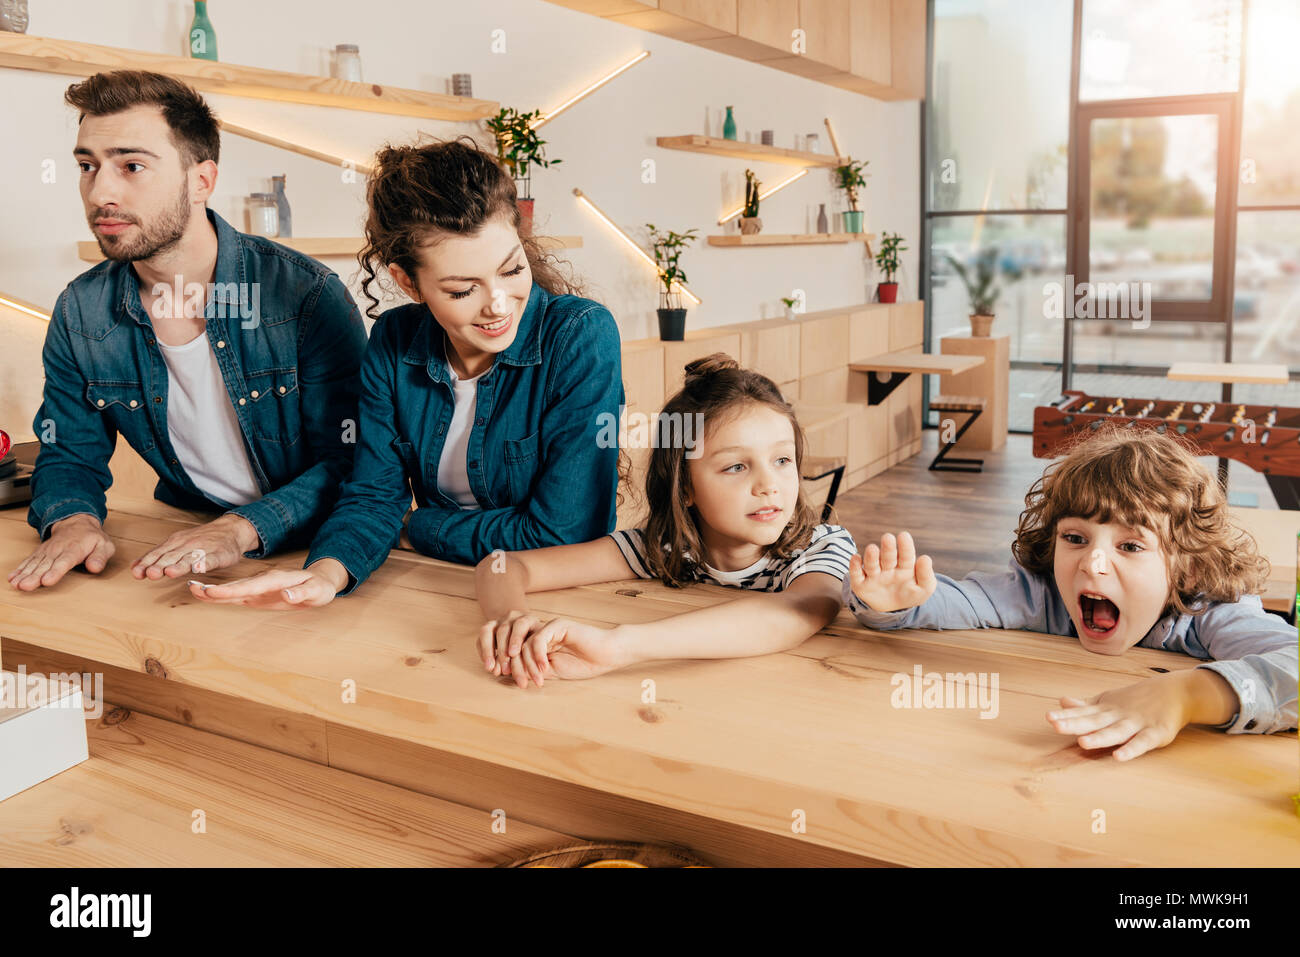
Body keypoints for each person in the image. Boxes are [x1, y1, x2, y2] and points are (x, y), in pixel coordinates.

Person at [188, 137, 624, 608]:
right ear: (407, 282)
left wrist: (416, 527)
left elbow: (565, 533)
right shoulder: (395, 339)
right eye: (462, 290)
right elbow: (374, 494)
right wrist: (323, 575)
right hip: (434, 582)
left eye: (513, 269)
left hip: (555, 597)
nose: (499, 305)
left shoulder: (580, 334)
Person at [8, 70, 366, 593]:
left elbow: (355, 460)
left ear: (202, 180)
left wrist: (240, 529)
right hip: (186, 537)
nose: (100, 191)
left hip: (319, 551)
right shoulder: (80, 311)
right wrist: (73, 520)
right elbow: (69, 450)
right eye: (87, 166)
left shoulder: (306, 295)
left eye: (131, 166)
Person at [843, 424, 1298, 760]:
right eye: (1075, 538)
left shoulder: (1213, 615)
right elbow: (953, 602)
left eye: (1131, 545)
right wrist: (891, 603)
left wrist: (1184, 696)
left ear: (1191, 567)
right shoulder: (1041, 593)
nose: (1091, 563)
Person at [475, 354, 856, 687]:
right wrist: (512, 620)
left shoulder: (825, 548)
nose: (768, 485)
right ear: (685, 486)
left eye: (782, 460)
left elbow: (794, 613)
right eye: (737, 466)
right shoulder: (662, 548)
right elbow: (501, 565)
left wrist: (617, 646)